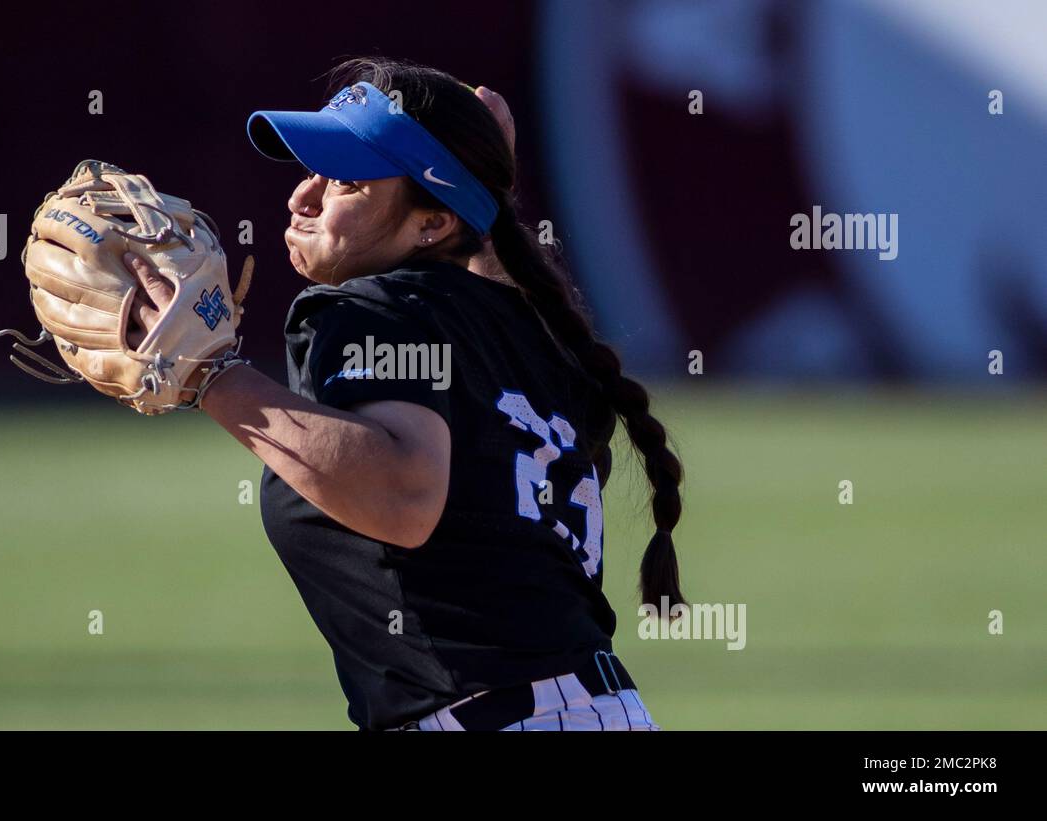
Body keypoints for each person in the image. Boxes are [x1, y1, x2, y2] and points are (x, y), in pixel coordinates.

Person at [124, 57, 685, 731]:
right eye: (314, 168)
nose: (306, 196)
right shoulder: (536, 334)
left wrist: (210, 376)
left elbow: (406, 493)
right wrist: (478, 193)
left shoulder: (368, 309)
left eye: (348, 180)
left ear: (431, 225)